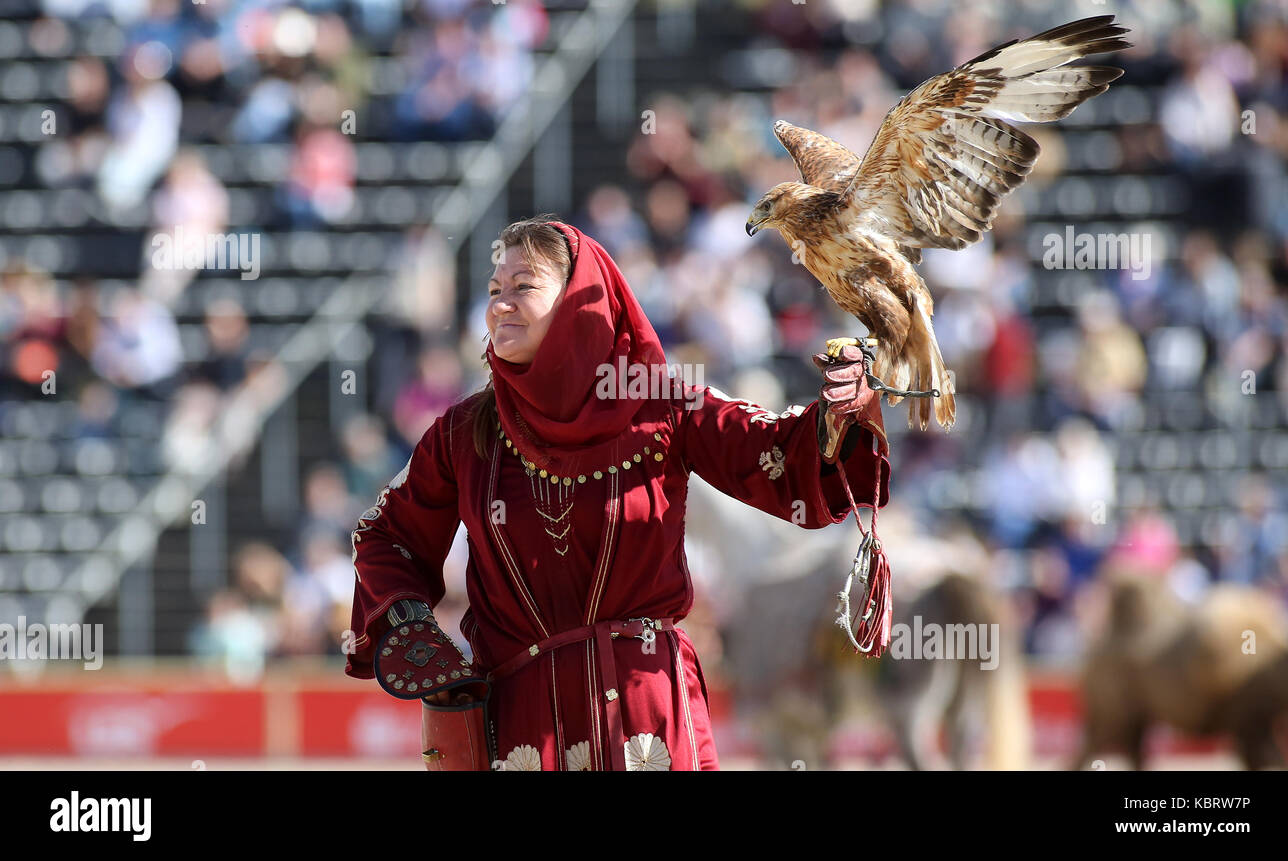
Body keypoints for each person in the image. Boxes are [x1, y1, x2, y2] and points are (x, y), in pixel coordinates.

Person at [346, 215, 891, 771]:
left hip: (646, 722)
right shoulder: (464, 433)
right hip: (522, 732)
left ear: (580, 301)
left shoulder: (661, 408)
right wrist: (410, 624)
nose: (499, 304)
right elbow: (387, 534)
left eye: (523, 286)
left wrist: (837, 412)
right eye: (494, 289)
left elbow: (773, 456)